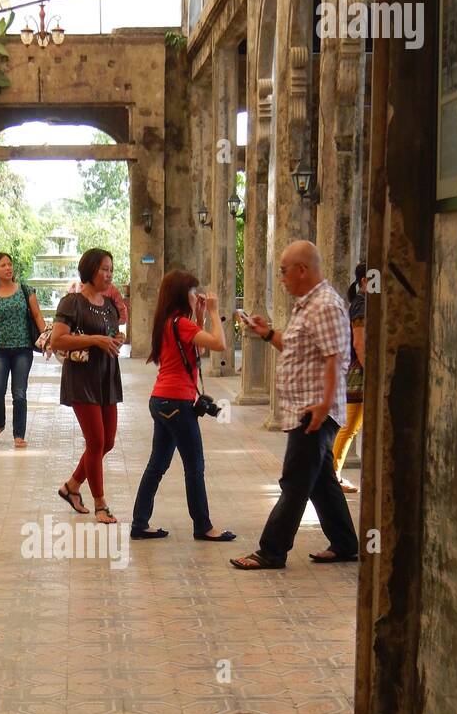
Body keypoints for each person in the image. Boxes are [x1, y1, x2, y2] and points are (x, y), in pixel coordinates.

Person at [231, 240, 359, 570]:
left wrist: (324, 405)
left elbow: (335, 360)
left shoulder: (326, 306)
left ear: (303, 270)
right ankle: (345, 543)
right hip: (308, 406)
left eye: (285, 272)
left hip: (314, 410)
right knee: (320, 481)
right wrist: (267, 333)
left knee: (294, 482)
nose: (283, 278)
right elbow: (297, 348)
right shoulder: (309, 305)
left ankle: (271, 550)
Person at [130, 270, 235, 542]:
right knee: (194, 466)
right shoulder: (181, 324)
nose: (196, 295)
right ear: (181, 294)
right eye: (192, 291)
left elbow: (194, 352)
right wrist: (213, 312)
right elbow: (220, 344)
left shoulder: (168, 322)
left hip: (160, 400)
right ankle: (203, 526)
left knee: (157, 464)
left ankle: (140, 523)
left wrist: (198, 315)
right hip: (177, 402)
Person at [51, 248, 124, 524]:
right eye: (104, 269)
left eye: (111, 270)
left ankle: (71, 486)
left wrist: (115, 338)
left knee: (108, 442)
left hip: (106, 375)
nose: (109, 275)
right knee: (95, 442)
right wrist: (95, 340)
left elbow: (108, 335)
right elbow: (58, 340)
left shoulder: (108, 305)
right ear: (91, 270)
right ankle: (100, 504)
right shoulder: (72, 302)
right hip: (82, 379)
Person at [0, 252, 48, 449]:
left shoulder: (25, 290)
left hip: (22, 350)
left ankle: (19, 434)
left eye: (10, 264)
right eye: (3, 265)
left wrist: (46, 339)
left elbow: (37, 316)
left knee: (19, 393)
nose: (8, 268)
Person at [334, 264, 367, 492]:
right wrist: (371, 373)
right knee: (350, 425)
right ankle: (332, 475)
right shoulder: (361, 305)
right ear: (365, 281)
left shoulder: (363, 303)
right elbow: (359, 342)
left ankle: (332, 474)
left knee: (352, 425)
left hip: (357, 370)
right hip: (358, 372)